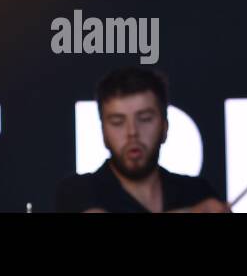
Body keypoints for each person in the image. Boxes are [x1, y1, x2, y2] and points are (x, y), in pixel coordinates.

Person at [54, 67, 230, 213]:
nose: (132, 132)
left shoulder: (197, 192)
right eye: (117, 122)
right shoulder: (79, 191)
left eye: (145, 118)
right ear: (103, 133)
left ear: (165, 127)